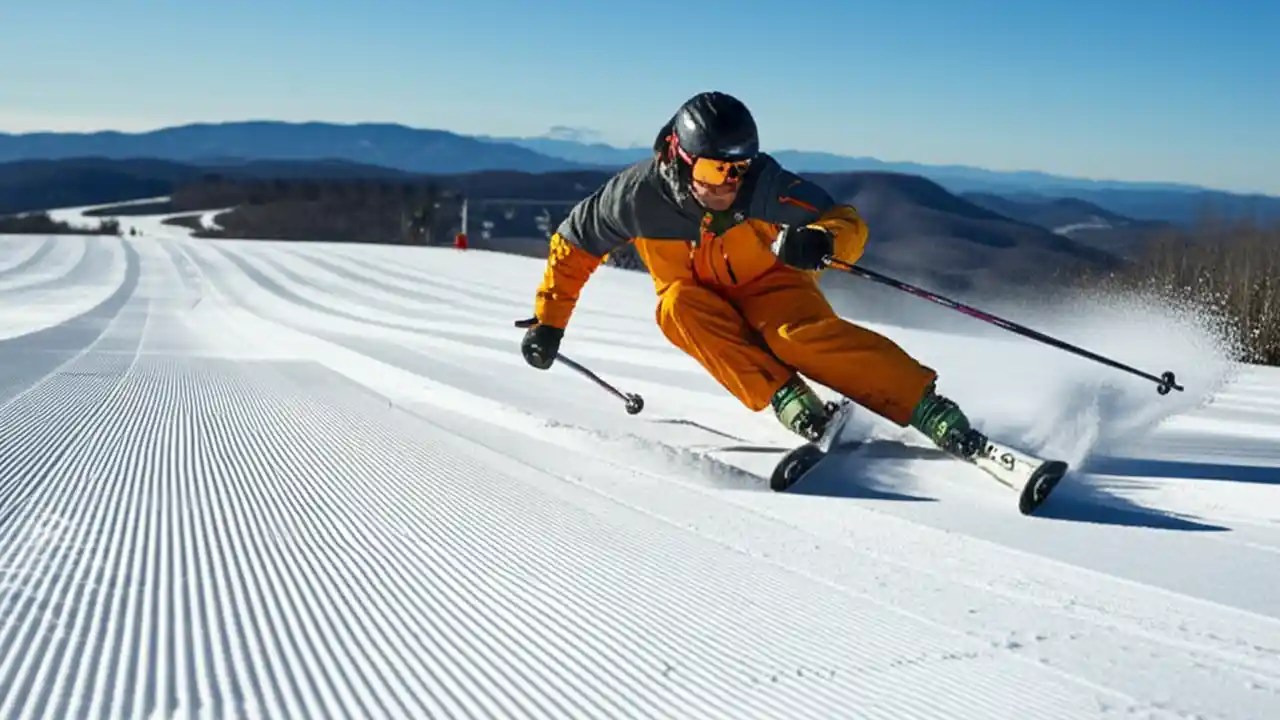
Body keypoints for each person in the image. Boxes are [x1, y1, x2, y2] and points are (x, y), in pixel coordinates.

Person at [520, 90, 985, 458]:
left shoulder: (762, 185)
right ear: (679, 158)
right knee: (675, 307)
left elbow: (845, 221)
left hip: (772, 285)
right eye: (714, 168)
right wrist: (549, 322)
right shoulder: (636, 197)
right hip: (698, 299)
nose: (729, 181)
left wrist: (822, 240)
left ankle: (924, 405)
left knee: (792, 337)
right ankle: (788, 399)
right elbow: (573, 246)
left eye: (739, 168)